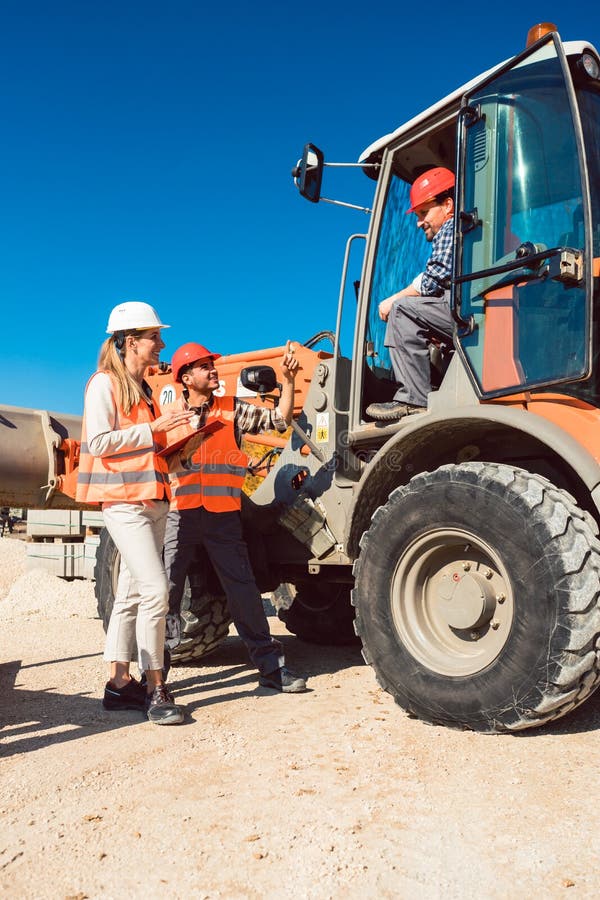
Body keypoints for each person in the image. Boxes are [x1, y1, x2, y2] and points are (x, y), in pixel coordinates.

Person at [163, 340, 308, 693]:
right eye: (203, 366)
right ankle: (155, 678)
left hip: (223, 517)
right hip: (180, 515)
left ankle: (271, 669)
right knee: (166, 595)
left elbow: (280, 419)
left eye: (212, 365)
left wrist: (287, 382)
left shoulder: (232, 410)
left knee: (243, 591)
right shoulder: (167, 418)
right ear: (185, 378)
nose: (213, 370)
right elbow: (159, 462)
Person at [76, 301, 195, 725]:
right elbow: (102, 442)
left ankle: (118, 684)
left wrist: (180, 448)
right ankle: (155, 686)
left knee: (128, 594)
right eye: (154, 337)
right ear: (131, 342)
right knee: (155, 589)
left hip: (153, 500)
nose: (161, 343)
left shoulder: (143, 391)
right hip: (124, 503)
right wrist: (155, 429)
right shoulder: (103, 385)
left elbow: (146, 448)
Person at [366, 167, 456, 422]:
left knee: (403, 311)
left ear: (447, 205)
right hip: (469, 311)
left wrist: (394, 300)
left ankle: (414, 398)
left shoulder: (452, 227)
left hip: (465, 312)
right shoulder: (471, 230)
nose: (418, 222)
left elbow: (434, 278)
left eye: (423, 212)